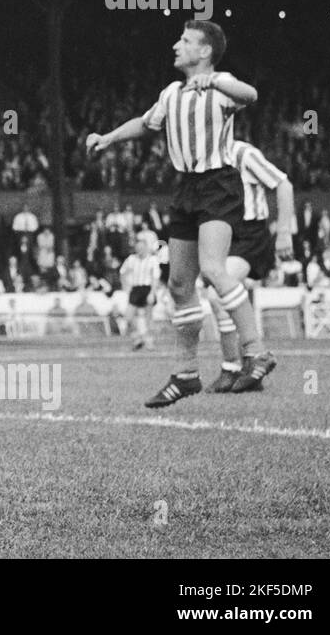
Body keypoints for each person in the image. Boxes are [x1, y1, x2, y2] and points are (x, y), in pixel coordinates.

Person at [87, 20, 259, 408]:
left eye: (185, 41)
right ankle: (185, 374)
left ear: (205, 52)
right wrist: (108, 138)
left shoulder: (220, 85)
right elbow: (146, 123)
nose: (175, 46)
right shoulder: (171, 93)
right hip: (185, 188)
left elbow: (250, 94)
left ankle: (255, 351)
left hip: (216, 182)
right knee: (180, 285)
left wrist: (214, 82)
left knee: (214, 270)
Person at [203, 140, 294, 394]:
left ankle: (242, 363)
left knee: (216, 294)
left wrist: (284, 232)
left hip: (251, 235)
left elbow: (284, 184)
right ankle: (243, 371)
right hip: (225, 236)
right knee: (219, 299)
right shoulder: (204, 158)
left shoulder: (243, 153)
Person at [119, 231, 161, 350]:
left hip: (147, 288)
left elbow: (155, 277)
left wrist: (152, 293)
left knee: (148, 317)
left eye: (142, 248)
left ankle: (149, 341)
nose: (140, 250)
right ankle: (137, 338)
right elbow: (122, 272)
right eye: (138, 248)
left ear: (146, 248)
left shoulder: (152, 260)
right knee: (128, 317)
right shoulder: (131, 259)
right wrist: (125, 286)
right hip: (136, 289)